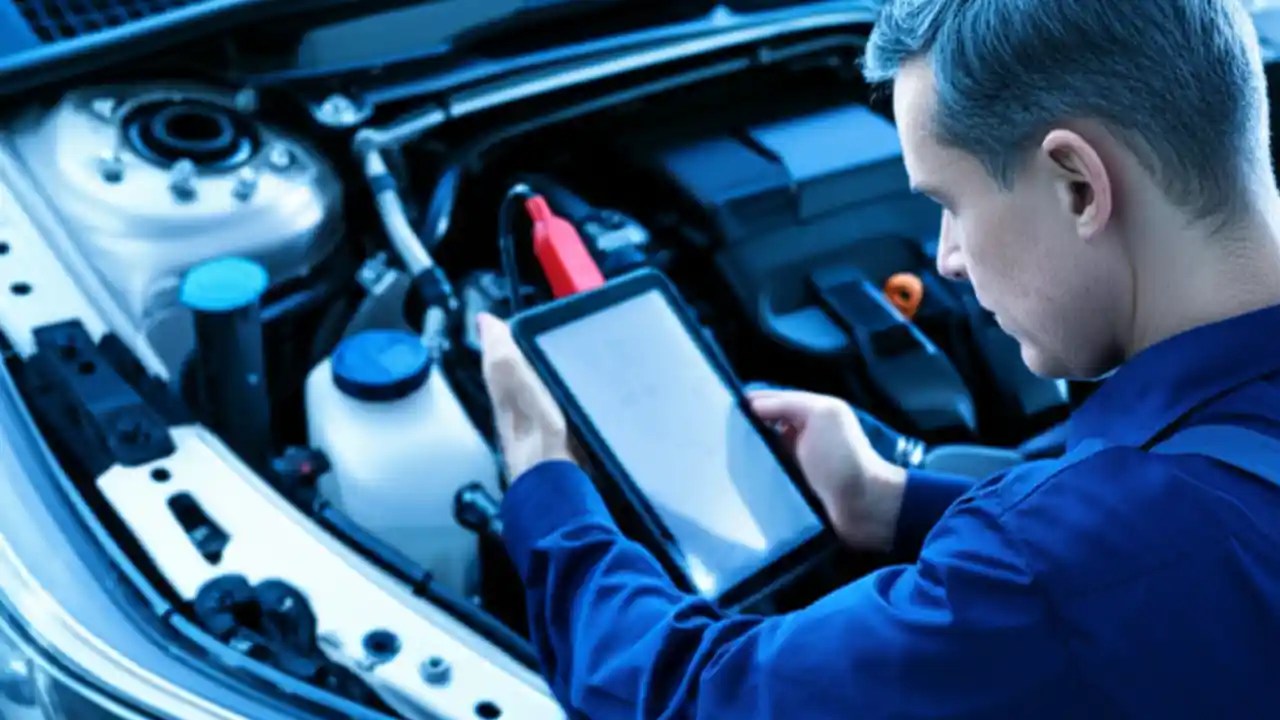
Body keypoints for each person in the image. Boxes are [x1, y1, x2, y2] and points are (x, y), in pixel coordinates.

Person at [476, 1, 1280, 717]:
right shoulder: (1131, 526)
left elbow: (691, 694)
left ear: (1076, 185)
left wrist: (546, 480)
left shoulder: (1058, 566)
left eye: (949, 205)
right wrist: (887, 501)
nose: (948, 260)